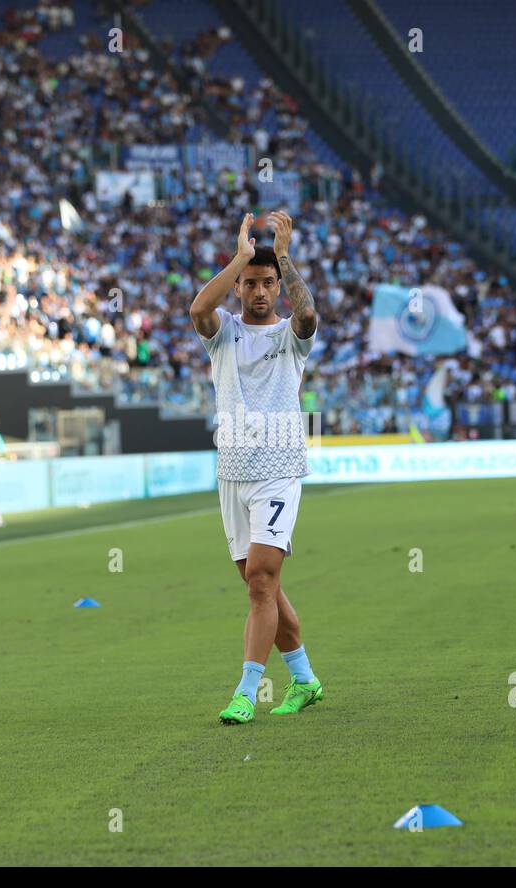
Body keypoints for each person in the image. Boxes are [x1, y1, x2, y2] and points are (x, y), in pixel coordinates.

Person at [189, 210, 324, 724]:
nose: (261, 290)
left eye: (269, 282)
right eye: (252, 283)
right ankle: (307, 680)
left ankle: (246, 691)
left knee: (262, 582)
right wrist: (239, 257)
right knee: (260, 586)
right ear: (240, 286)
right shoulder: (222, 332)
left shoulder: (292, 335)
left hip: (279, 468)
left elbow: (309, 315)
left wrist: (282, 256)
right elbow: (199, 307)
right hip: (233, 473)